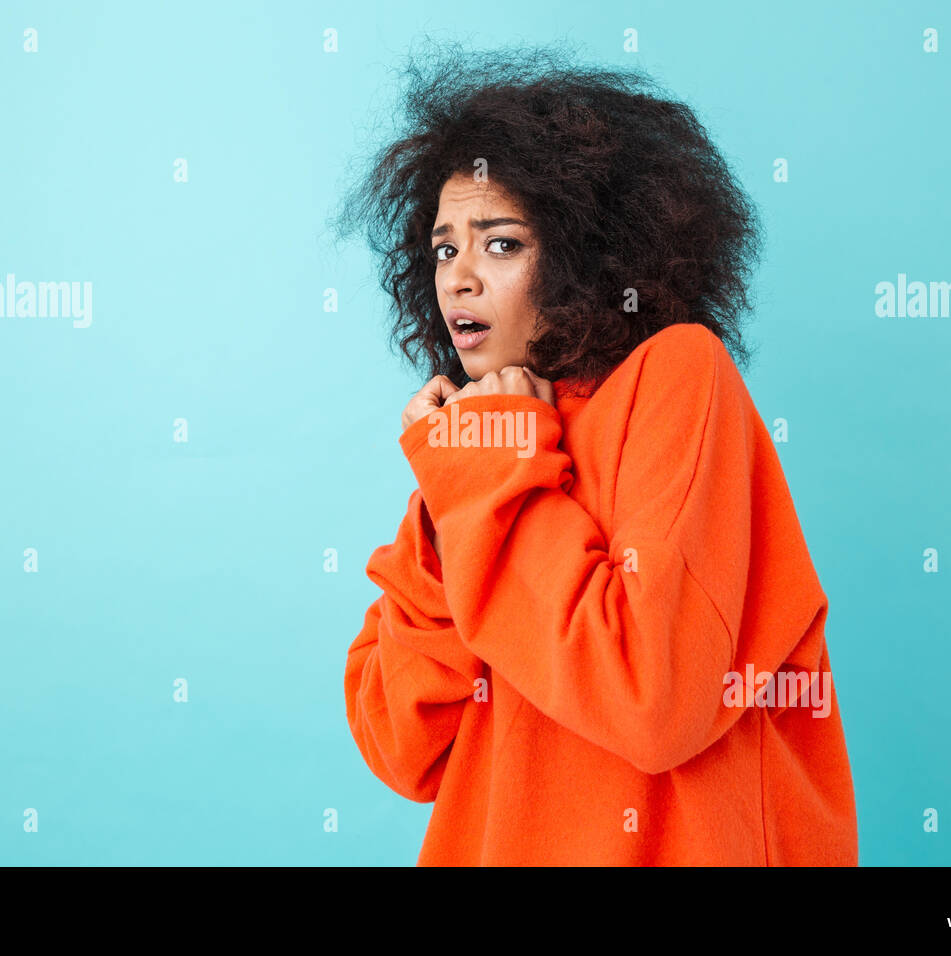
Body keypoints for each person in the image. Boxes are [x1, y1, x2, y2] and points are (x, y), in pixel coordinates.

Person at [336, 42, 859, 866]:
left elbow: (654, 703)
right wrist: (457, 484)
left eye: (500, 243)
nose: (459, 278)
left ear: (587, 254)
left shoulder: (678, 375)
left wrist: (487, 471)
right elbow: (399, 746)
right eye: (444, 249)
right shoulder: (474, 455)